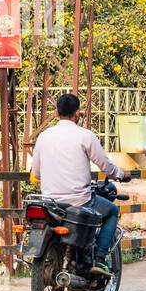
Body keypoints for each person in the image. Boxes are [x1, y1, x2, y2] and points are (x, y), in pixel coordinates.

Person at [31, 93, 128, 277]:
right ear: (77, 114)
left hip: (49, 203)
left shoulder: (44, 137)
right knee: (112, 212)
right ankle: (99, 259)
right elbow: (105, 166)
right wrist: (122, 174)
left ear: (56, 112)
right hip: (79, 200)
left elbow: (36, 172)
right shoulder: (85, 136)